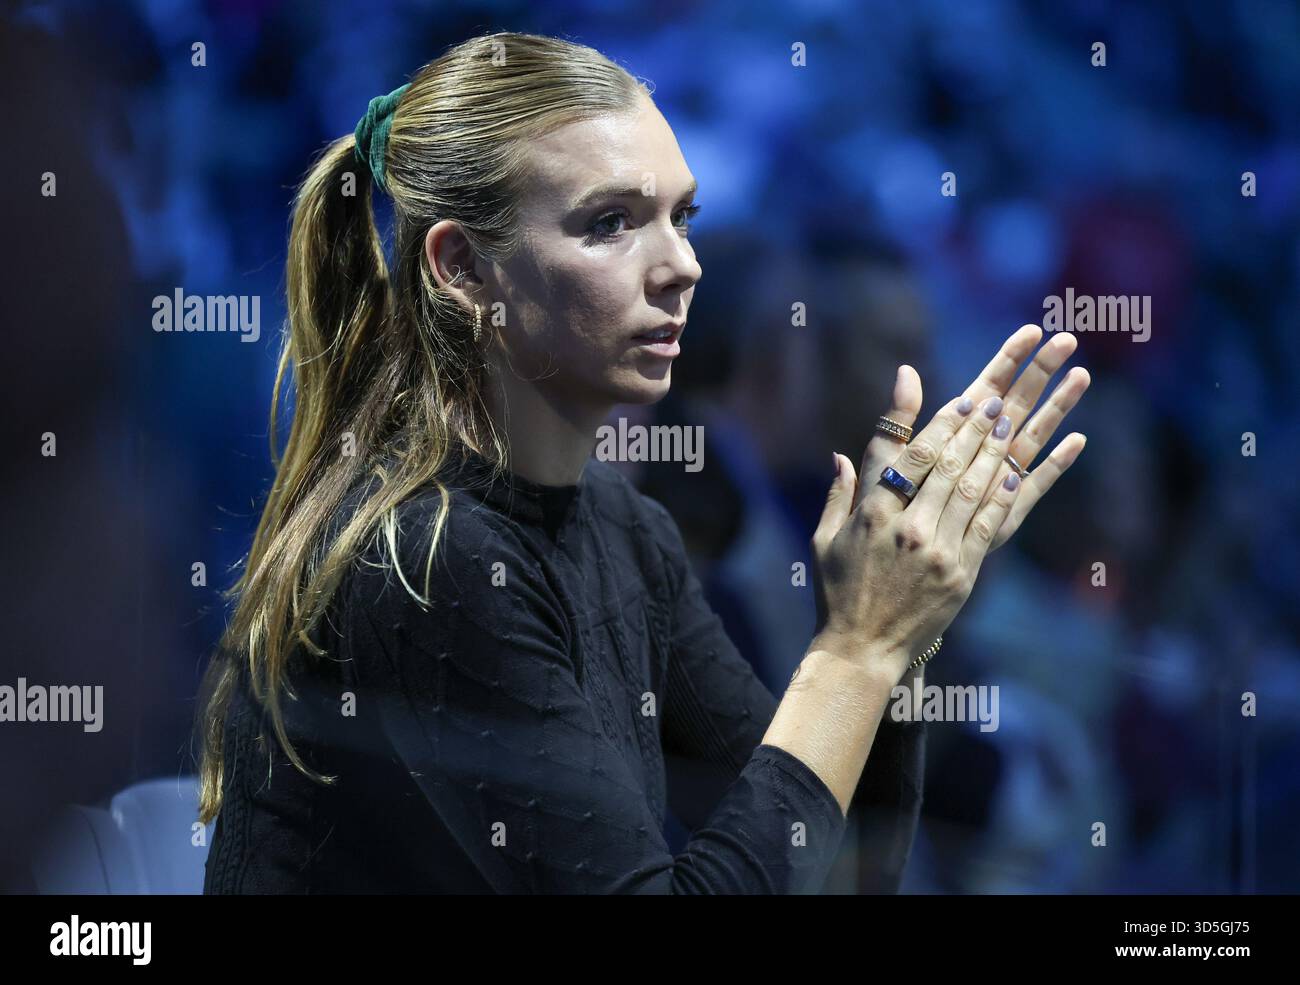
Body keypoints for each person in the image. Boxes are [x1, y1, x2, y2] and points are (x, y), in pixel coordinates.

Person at [195, 31, 1089, 894]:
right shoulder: (430, 559)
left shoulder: (629, 531)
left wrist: (899, 625)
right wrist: (857, 648)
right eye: (611, 222)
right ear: (463, 267)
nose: (682, 266)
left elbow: (841, 868)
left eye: (682, 216)